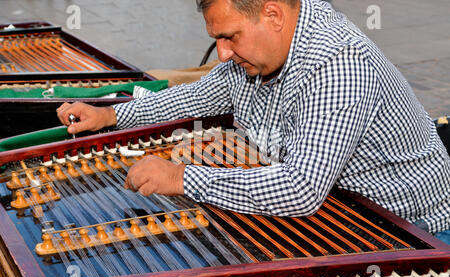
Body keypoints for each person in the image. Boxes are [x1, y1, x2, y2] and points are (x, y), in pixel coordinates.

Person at [57, 0, 450, 243]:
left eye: (230, 37)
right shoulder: (258, 52)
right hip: (341, 211)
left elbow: (300, 189)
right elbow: (194, 96)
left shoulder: (338, 63)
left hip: (407, 229)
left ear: (273, 14)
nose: (223, 53)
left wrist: (181, 178)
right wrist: (110, 115)